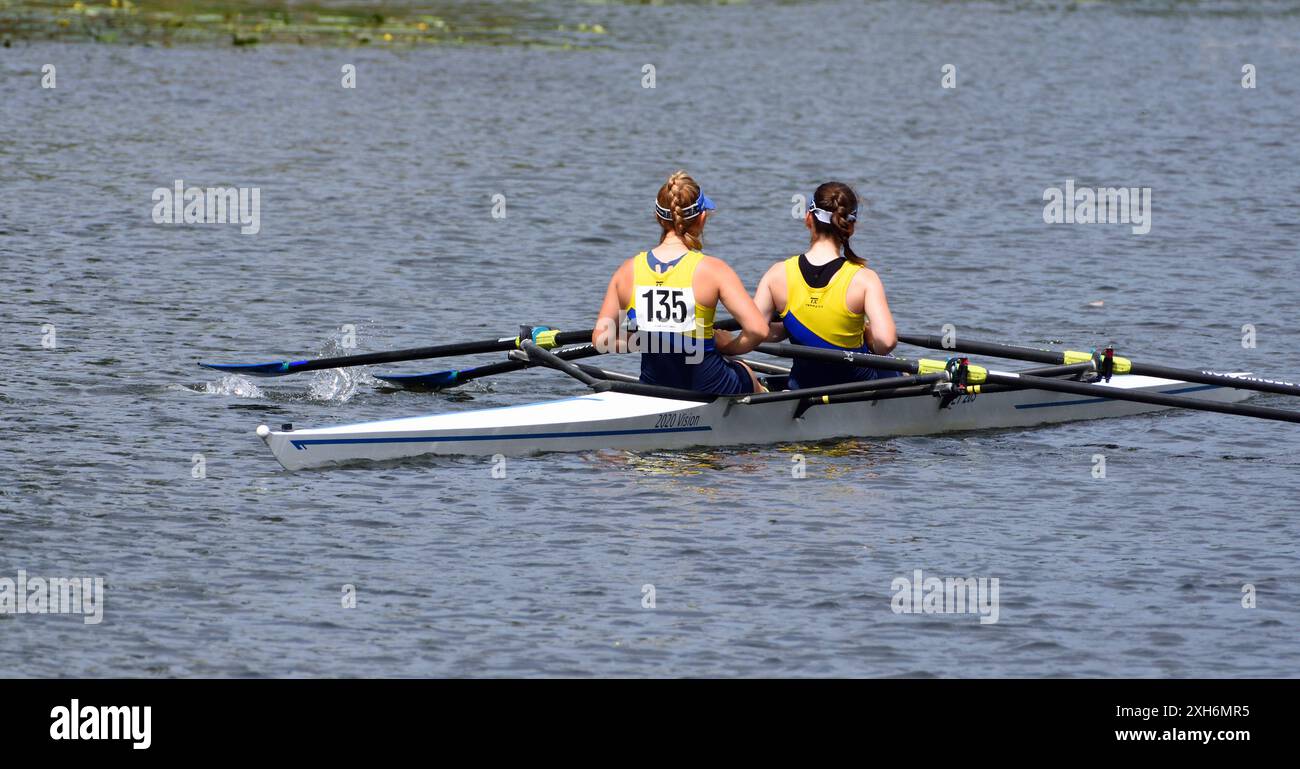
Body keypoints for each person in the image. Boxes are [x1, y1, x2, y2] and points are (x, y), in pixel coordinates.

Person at [593, 171, 769, 394]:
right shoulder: (714, 270)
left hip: (655, 385)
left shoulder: (627, 271)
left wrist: (648, 340)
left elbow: (602, 338)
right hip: (709, 386)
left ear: (658, 218)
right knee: (744, 369)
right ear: (702, 217)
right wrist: (728, 345)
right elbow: (758, 330)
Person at [753, 181, 900, 389]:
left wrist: (795, 325)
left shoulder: (777, 274)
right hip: (857, 389)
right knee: (891, 365)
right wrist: (869, 336)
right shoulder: (864, 279)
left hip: (803, 387)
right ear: (850, 227)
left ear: (808, 219)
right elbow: (885, 343)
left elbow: (755, 332)